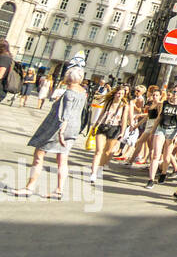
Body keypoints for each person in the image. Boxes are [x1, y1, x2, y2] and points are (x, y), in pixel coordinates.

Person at [9, 64, 87, 198]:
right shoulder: (83, 92)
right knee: (63, 159)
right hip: (74, 128)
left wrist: (62, 131)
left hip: (57, 127)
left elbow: (66, 114)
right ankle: (59, 190)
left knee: (39, 154)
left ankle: (30, 187)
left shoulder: (70, 92)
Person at [146, 85, 177, 189]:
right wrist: (153, 130)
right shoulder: (165, 103)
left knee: (167, 155)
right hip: (161, 129)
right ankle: (151, 180)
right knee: (156, 155)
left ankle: (164, 173)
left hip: (172, 130)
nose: (175, 94)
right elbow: (159, 117)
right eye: (174, 92)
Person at [88, 85, 133, 181]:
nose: (119, 95)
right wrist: (95, 126)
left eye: (121, 94)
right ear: (114, 93)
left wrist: (122, 132)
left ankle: (100, 166)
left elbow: (124, 119)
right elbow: (102, 114)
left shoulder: (124, 105)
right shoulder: (108, 102)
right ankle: (93, 172)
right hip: (103, 126)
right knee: (98, 150)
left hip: (115, 129)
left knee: (107, 152)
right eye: (118, 93)